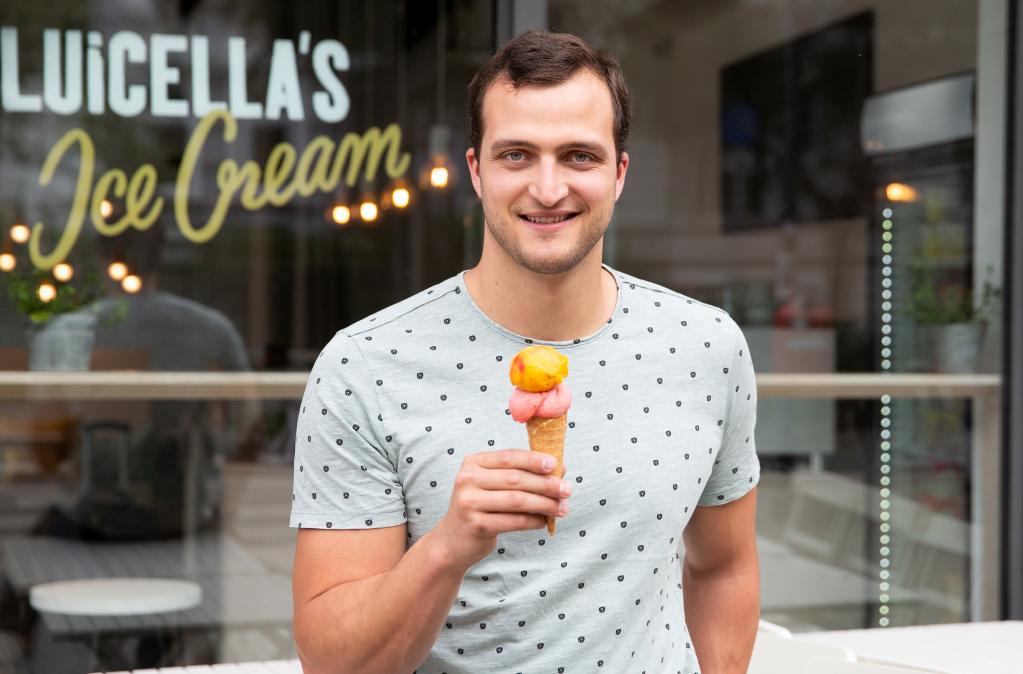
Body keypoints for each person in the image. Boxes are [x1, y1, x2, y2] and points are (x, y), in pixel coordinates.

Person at [290, 31, 760, 674]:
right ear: (476, 171)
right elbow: (332, 660)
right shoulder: (364, 367)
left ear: (619, 174)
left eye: (578, 156)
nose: (547, 188)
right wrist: (447, 547)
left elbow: (725, 566)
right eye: (516, 154)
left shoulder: (708, 348)